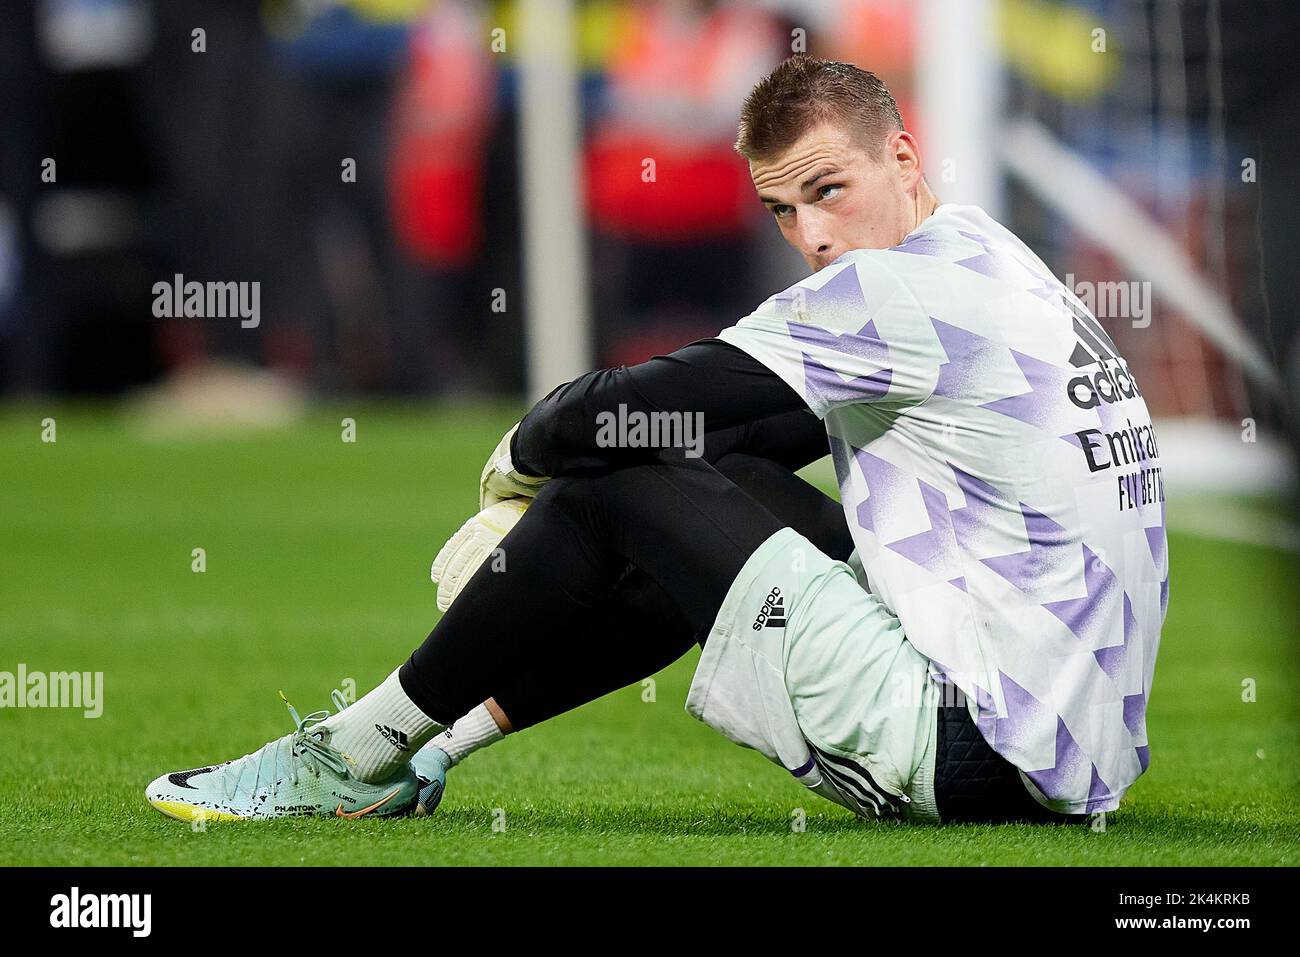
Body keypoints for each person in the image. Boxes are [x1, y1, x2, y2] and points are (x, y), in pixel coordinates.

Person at [146, 55, 1167, 826]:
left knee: (621, 487)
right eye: (781, 210)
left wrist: (519, 469)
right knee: (713, 482)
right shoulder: (989, 255)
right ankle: (434, 748)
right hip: (1071, 754)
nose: (810, 236)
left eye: (828, 190)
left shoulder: (890, 291)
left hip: (975, 748)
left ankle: (352, 755)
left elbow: (598, 415)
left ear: (900, 156)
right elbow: (748, 431)